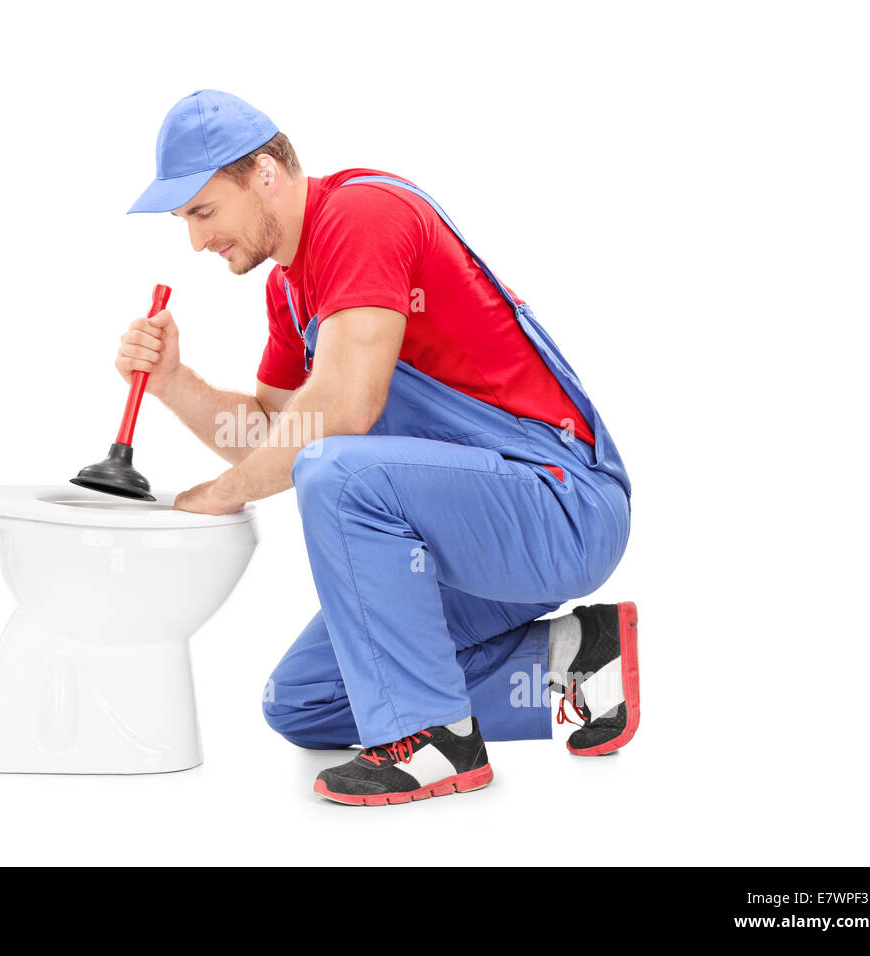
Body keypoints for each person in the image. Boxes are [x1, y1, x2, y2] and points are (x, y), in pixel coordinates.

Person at [119, 89, 639, 806]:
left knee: (335, 470)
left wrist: (217, 495)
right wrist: (174, 383)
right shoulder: (291, 292)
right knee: (304, 702)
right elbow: (272, 437)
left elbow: (342, 411)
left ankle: (434, 740)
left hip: (558, 507)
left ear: (265, 173)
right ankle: (576, 664)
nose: (196, 241)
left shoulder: (362, 217)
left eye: (203, 212)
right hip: (458, 532)